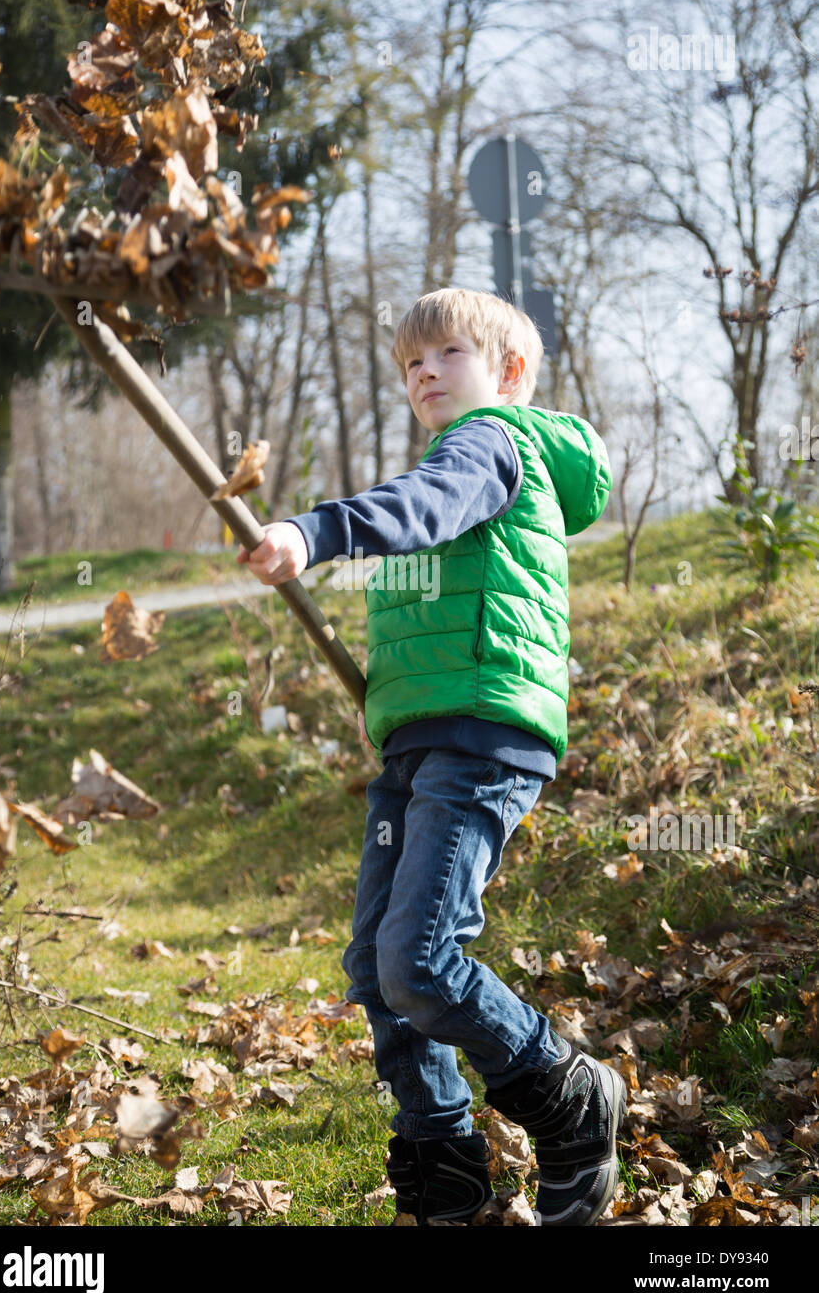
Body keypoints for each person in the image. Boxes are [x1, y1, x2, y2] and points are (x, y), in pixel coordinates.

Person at [236, 286, 624, 1226]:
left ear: (509, 373)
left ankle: (571, 1097)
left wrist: (312, 531)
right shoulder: (467, 452)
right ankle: (444, 1159)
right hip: (419, 743)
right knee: (376, 968)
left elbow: (422, 506)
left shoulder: (492, 443)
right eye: (411, 363)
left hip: (480, 737)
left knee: (418, 961)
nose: (422, 375)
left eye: (445, 354)